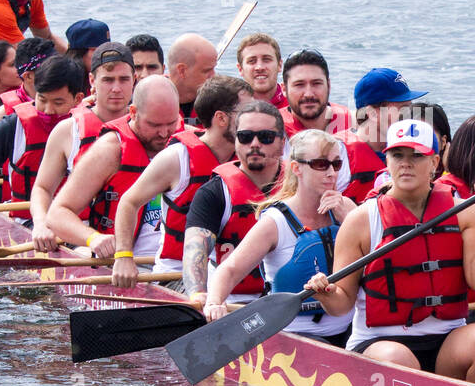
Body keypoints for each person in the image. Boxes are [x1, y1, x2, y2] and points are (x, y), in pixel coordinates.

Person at [305, 118, 475, 384]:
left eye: (416, 155)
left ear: (434, 163)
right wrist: (326, 293)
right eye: (397, 155)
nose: (405, 163)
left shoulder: (464, 212)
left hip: (447, 340)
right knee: (399, 359)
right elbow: (342, 304)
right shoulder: (362, 221)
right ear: (387, 161)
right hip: (380, 343)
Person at [203, 130, 356, 343]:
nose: (331, 172)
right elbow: (229, 270)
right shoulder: (275, 222)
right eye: (321, 164)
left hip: (349, 332)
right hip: (293, 337)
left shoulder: (348, 209)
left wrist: (350, 220)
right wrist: (214, 302)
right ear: (296, 168)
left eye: (336, 164)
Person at [111, 75, 253, 285]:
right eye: (247, 113)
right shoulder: (177, 157)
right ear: (222, 119)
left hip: (231, 276)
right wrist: (123, 257)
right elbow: (129, 202)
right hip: (176, 275)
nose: (255, 119)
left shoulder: (253, 156)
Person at [46, 75, 181, 257]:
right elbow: (57, 214)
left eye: (171, 123)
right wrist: (93, 238)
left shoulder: (186, 142)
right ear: (133, 112)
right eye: (154, 125)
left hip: (174, 266)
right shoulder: (109, 150)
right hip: (122, 263)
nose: (164, 133)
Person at [27, 42, 137, 251]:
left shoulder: (150, 128)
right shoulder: (67, 131)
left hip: (135, 239)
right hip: (81, 238)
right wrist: (41, 224)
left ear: (134, 81)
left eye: (124, 79)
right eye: (107, 80)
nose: (116, 88)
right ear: (92, 81)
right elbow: (42, 188)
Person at [0, 56, 86, 219]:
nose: (48, 110)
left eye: (58, 102)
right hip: (27, 220)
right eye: (42, 100)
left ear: (78, 99)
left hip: (79, 222)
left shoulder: (93, 126)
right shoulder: (14, 124)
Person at [182, 102, 286, 305]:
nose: (255, 144)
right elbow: (194, 251)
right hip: (229, 301)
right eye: (245, 137)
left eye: (265, 137)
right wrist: (197, 294)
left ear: (282, 143)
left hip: (284, 301)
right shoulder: (214, 193)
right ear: (236, 142)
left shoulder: (299, 186)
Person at [343, 67, 429, 202]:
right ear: (372, 113)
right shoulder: (339, 154)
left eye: (410, 108)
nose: (409, 115)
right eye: (402, 109)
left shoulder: (414, 149)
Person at [280, 49, 353, 138]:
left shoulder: (353, 125)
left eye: (316, 83)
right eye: (299, 85)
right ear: (284, 89)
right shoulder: (272, 128)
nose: (309, 94)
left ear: (328, 85)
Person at [167, 33, 218, 124]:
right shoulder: (151, 100)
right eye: (207, 71)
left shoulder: (221, 101)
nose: (214, 76)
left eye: (214, 69)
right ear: (182, 71)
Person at [236, 33, 287, 109]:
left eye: (266, 59)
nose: (260, 67)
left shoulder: (297, 108)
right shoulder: (230, 110)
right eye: (252, 61)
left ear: (279, 65)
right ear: (240, 69)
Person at [65, 19, 111, 85]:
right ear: (80, 53)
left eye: (109, 50)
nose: (106, 56)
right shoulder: (63, 81)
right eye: (99, 51)